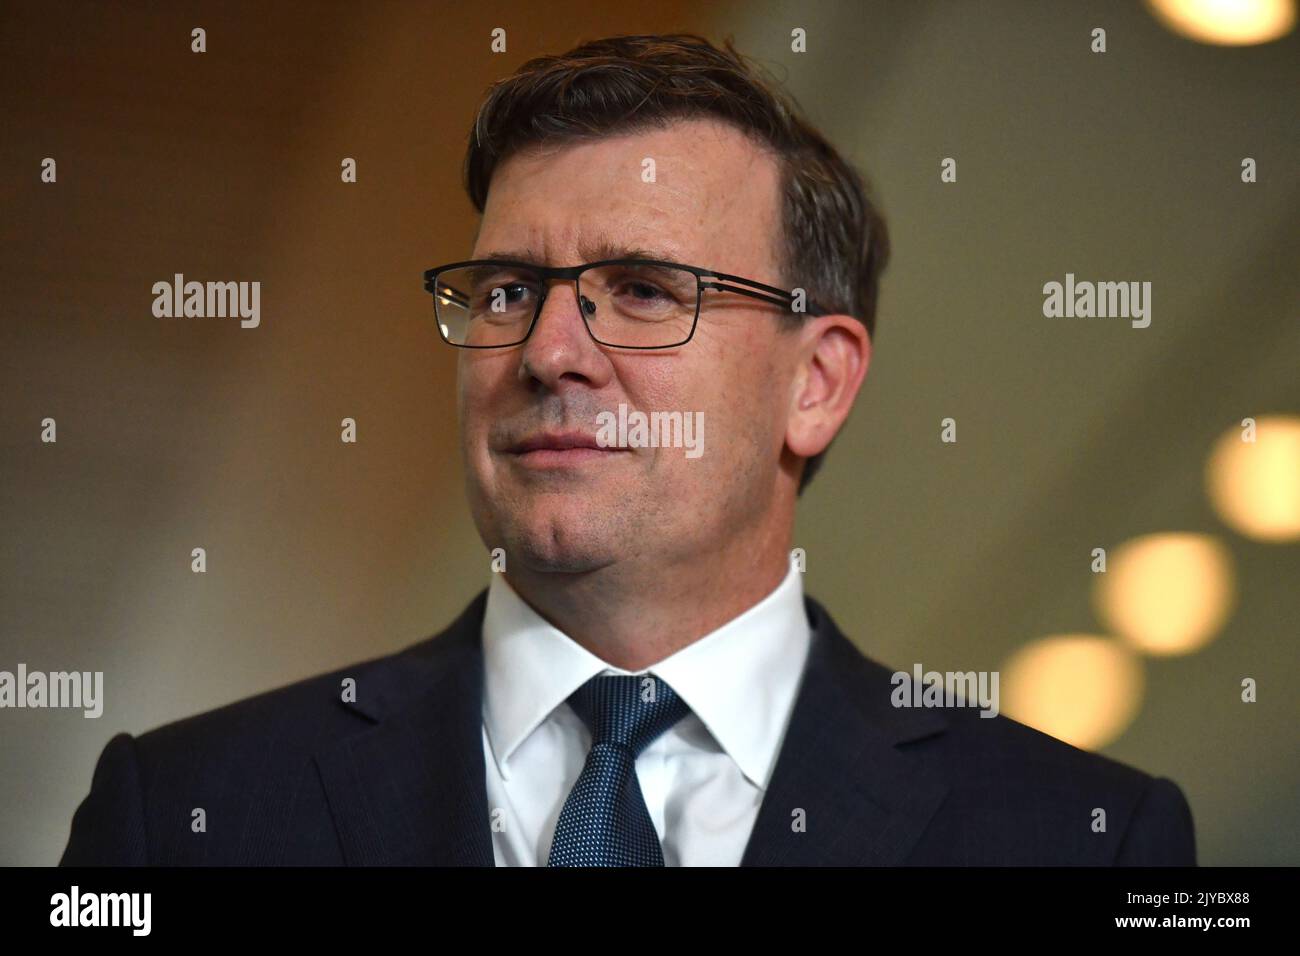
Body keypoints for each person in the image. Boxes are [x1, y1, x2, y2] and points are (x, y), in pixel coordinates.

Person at [60, 33, 1194, 866]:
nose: (551, 350)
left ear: (816, 382)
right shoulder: (184, 813)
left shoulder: (1080, 838)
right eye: (506, 289)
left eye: (644, 290)